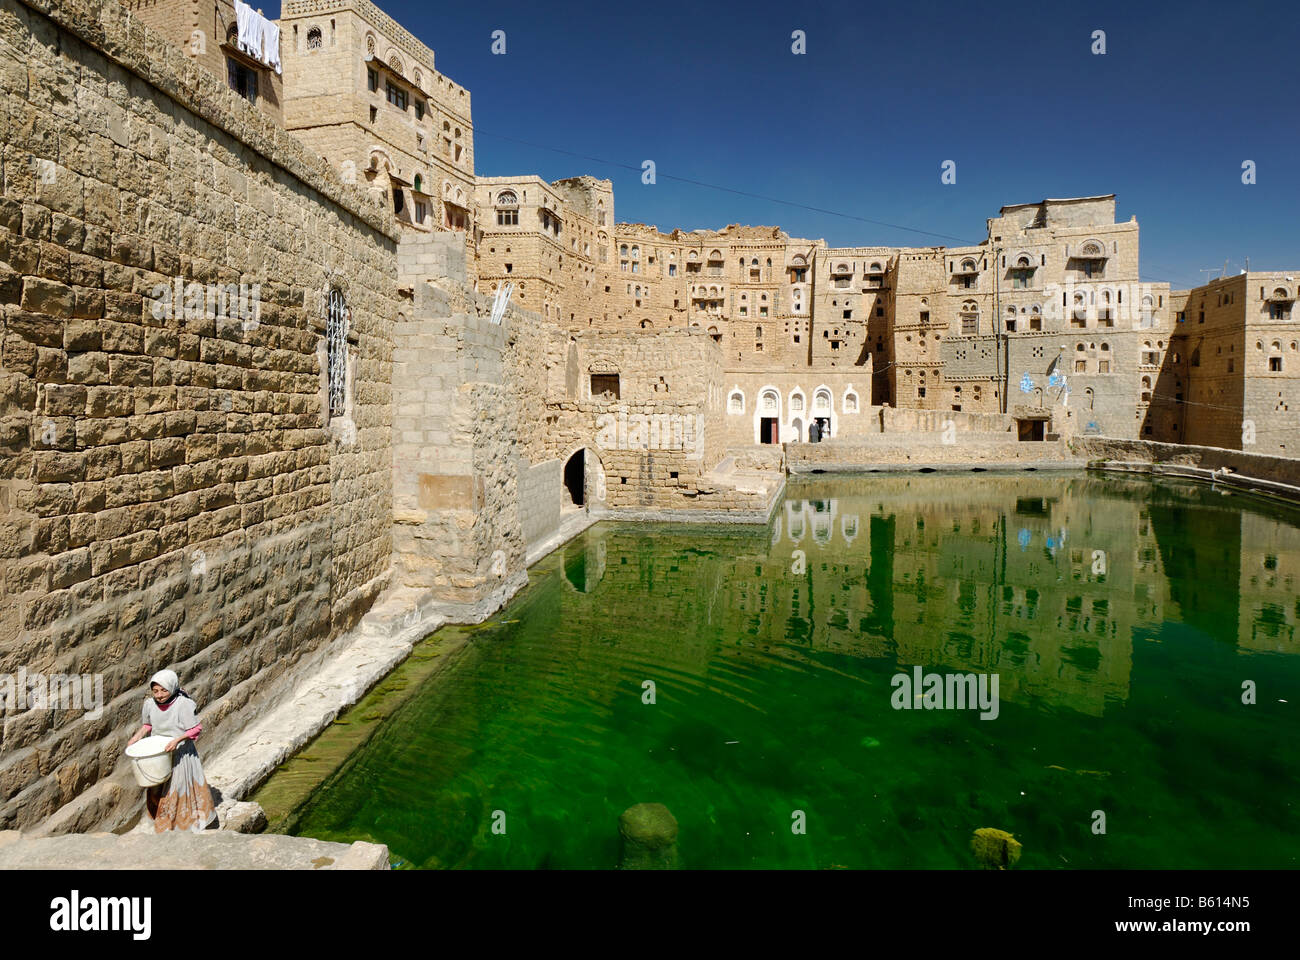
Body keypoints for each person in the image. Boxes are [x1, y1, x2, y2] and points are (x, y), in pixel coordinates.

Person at [125, 670, 218, 832]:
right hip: (160, 754)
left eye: (164, 690)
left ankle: (182, 825)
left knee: (177, 789)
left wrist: (177, 741)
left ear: (173, 688)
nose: (159, 695)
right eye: (155, 691)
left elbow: (196, 729)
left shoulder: (183, 705)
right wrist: (136, 737)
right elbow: (148, 725)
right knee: (157, 787)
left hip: (180, 754)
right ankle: (165, 822)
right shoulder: (150, 704)